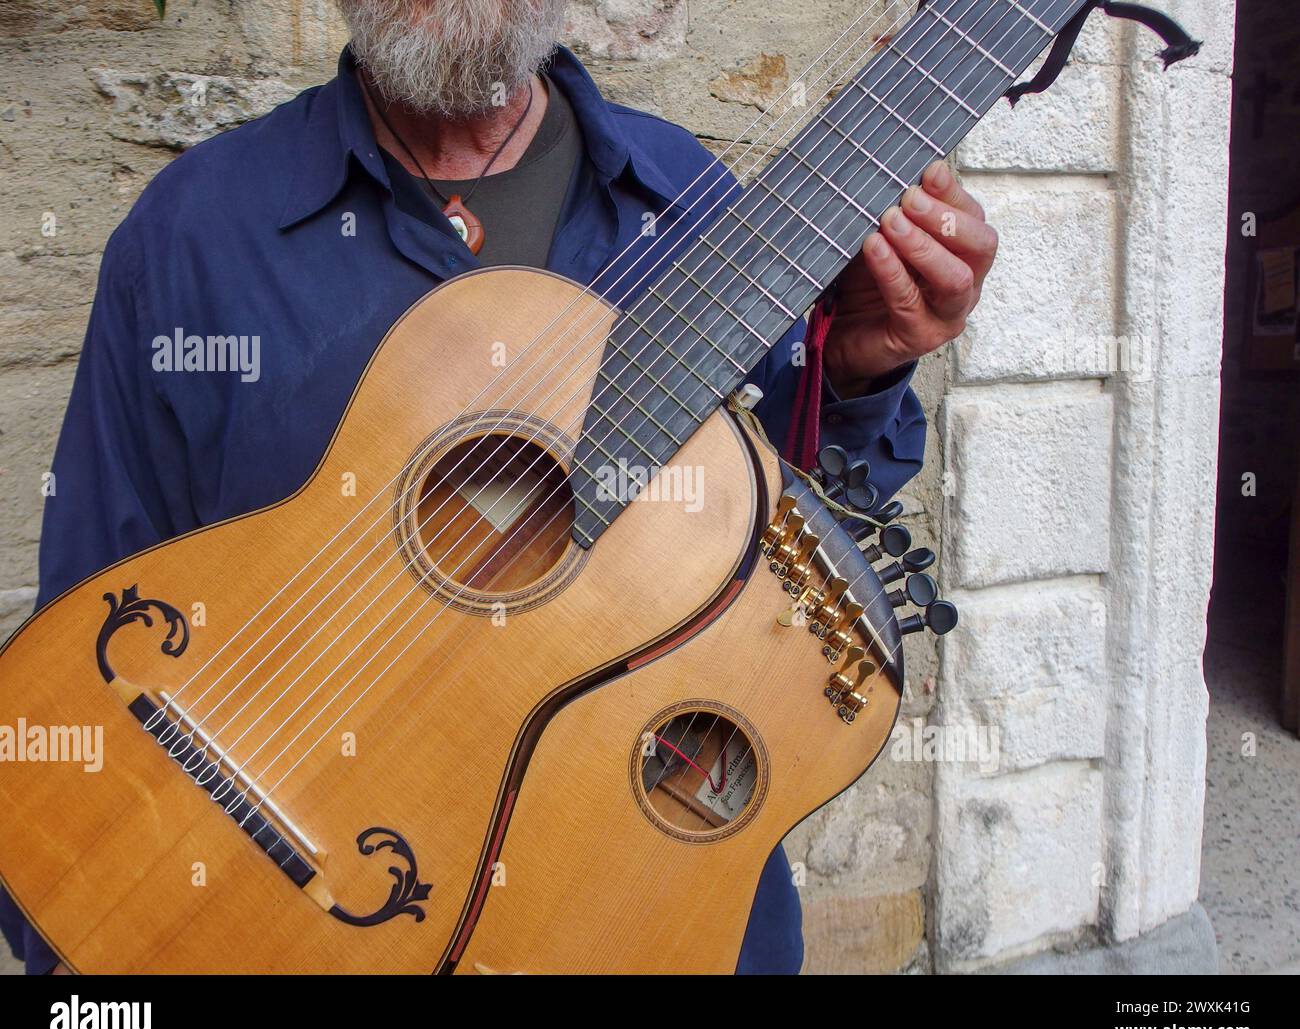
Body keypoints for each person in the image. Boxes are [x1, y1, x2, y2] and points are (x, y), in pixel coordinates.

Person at [0, 0, 997, 975]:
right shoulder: (196, 231)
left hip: (600, 919)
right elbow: (94, 617)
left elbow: (795, 580)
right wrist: (87, 932)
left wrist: (861, 370)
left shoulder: (693, 212)